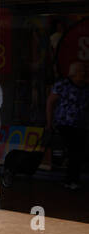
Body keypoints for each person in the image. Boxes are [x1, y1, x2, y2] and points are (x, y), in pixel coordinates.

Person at [46, 62, 88, 190]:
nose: (84, 73)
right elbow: (50, 102)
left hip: (80, 124)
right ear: (74, 72)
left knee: (78, 151)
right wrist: (49, 122)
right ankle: (71, 180)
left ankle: (73, 179)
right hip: (65, 123)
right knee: (74, 150)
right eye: (82, 71)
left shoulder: (85, 87)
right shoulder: (62, 85)